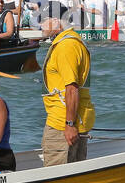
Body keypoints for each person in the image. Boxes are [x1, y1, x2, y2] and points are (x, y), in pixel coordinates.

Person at [40, 16, 94, 165]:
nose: (40, 24)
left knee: (55, 174)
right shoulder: (72, 41)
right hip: (73, 118)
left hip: (62, 122)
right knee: (75, 172)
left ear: (56, 21)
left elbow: (71, 88)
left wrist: (69, 125)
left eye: (43, 19)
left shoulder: (66, 46)